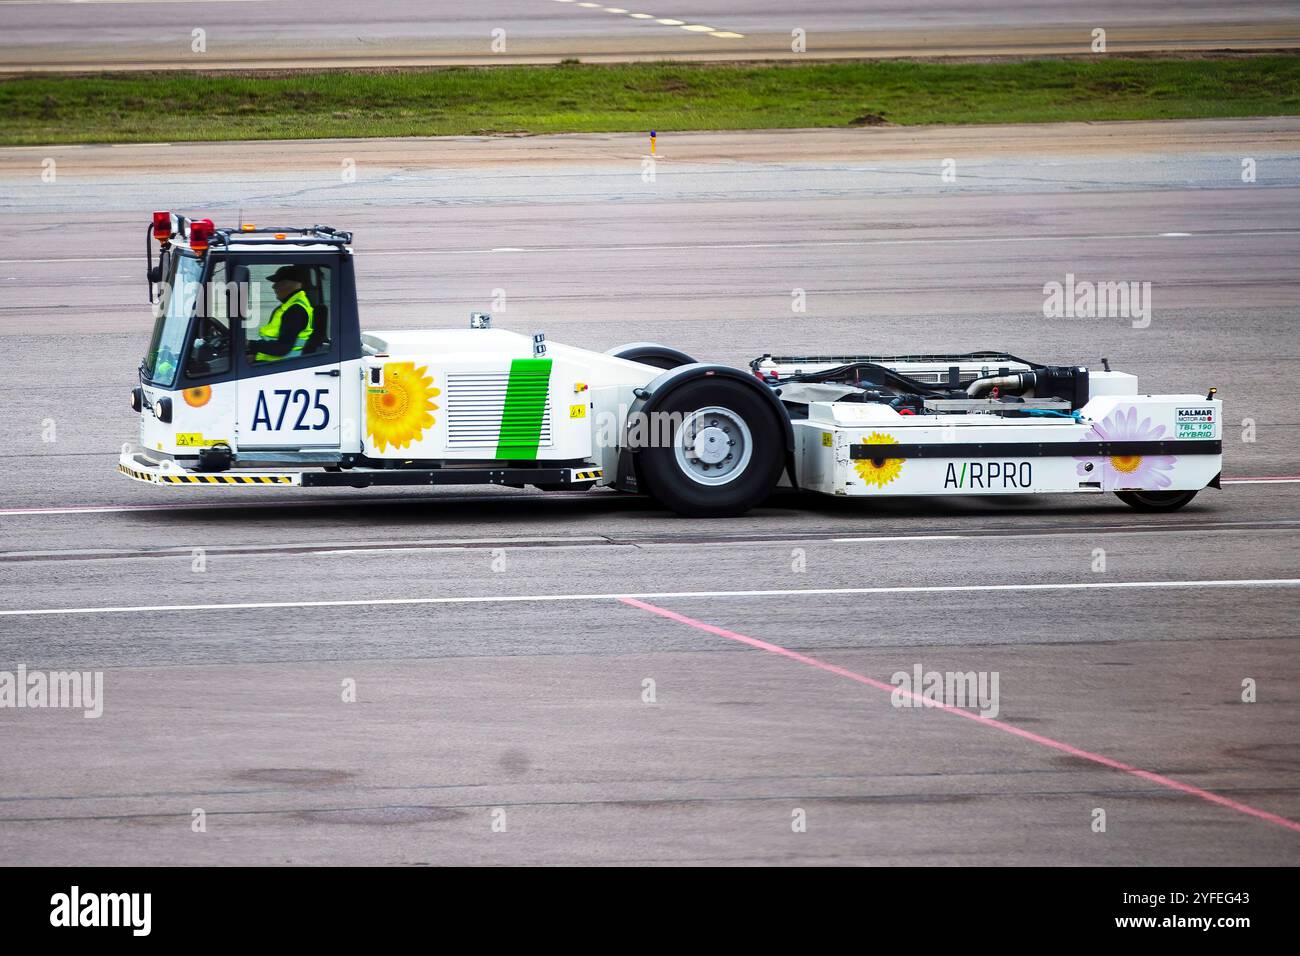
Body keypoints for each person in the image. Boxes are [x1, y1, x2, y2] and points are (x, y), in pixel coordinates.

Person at [249, 265, 314, 362]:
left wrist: (248, 344)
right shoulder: (290, 306)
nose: (273, 287)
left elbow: (282, 348)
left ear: (289, 284)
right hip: (272, 362)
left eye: (277, 283)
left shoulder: (295, 310)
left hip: (280, 367)